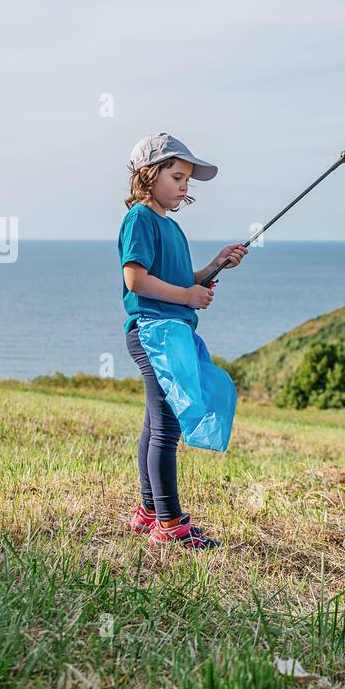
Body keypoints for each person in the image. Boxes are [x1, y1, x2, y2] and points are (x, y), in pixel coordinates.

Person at [119, 133, 247, 549]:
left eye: (187, 180)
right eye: (177, 176)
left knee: (156, 423)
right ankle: (170, 524)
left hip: (170, 332)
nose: (184, 186)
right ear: (148, 175)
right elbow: (135, 280)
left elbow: (178, 280)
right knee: (167, 426)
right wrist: (188, 298)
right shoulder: (140, 219)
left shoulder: (170, 227)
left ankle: (149, 512)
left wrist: (214, 266)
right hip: (153, 333)